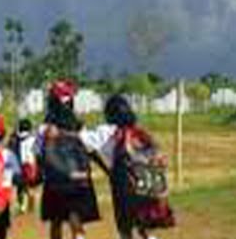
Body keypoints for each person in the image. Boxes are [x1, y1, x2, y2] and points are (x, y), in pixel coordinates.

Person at [84, 95, 174, 239]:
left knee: (125, 231)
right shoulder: (139, 132)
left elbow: (84, 142)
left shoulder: (108, 133)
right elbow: (157, 157)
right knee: (145, 228)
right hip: (146, 185)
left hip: (124, 187)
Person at [36, 81, 100, 239]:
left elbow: (38, 153)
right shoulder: (78, 126)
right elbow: (91, 149)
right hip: (79, 179)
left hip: (55, 180)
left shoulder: (45, 128)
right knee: (75, 217)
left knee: (56, 221)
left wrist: (39, 173)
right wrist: (106, 169)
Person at [11, 119, 39, 214]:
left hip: (19, 164)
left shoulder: (16, 138)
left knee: (20, 187)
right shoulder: (33, 139)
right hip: (30, 165)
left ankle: (22, 206)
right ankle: (30, 208)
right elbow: (37, 152)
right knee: (30, 187)